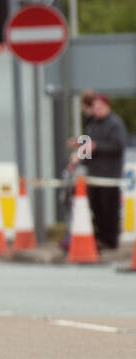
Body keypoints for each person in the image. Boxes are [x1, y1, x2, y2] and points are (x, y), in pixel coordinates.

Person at [73, 92, 128, 250]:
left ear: (107, 107)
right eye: (94, 107)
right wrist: (78, 155)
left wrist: (97, 146)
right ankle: (100, 238)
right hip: (93, 175)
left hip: (109, 175)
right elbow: (88, 149)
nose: (96, 110)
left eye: (99, 107)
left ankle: (110, 240)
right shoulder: (92, 124)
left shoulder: (115, 124)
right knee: (96, 208)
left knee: (108, 209)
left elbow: (118, 146)